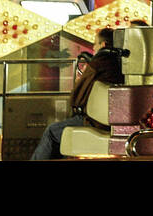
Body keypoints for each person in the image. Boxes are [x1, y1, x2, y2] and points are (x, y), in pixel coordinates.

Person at [31, 28, 124, 160]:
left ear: (103, 45)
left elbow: (77, 98)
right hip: (115, 123)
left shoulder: (96, 65)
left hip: (95, 122)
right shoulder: (121, 64)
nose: (93, 47)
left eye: (95, 43)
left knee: (52, 131)